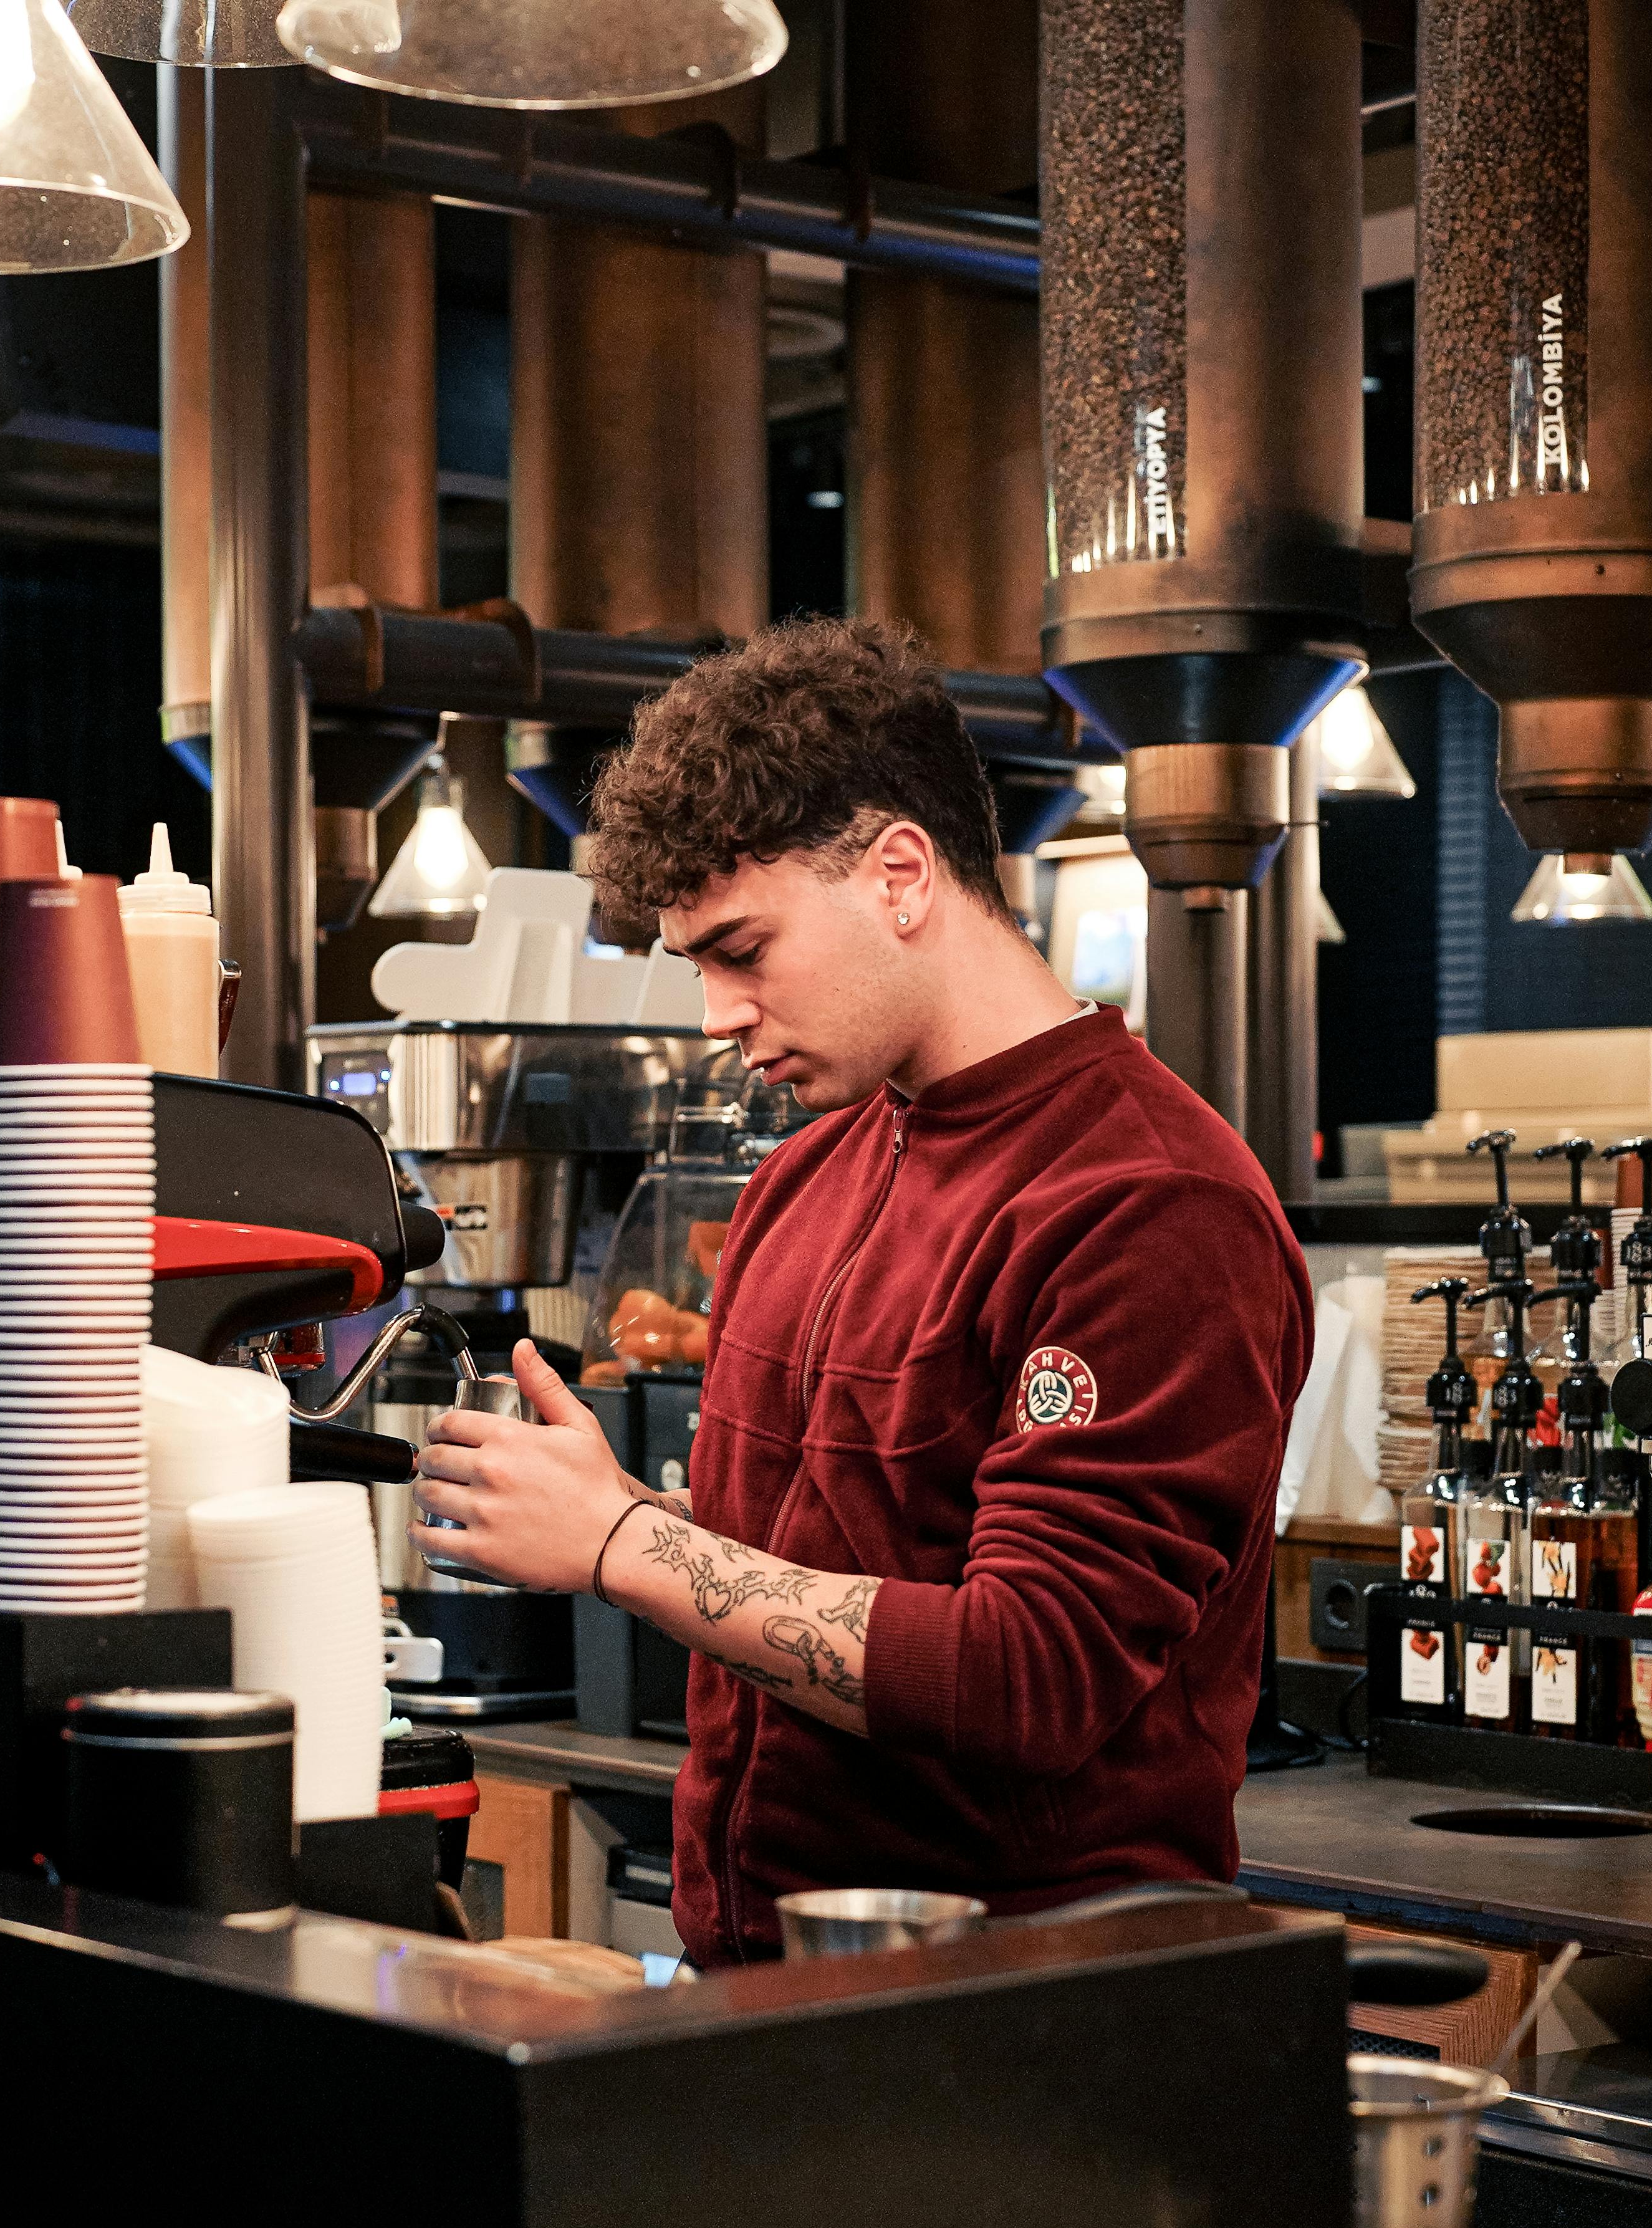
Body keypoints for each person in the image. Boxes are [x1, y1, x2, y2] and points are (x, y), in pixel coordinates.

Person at [408, 617, 1317, 1966]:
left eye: (743, 949)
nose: (716, 1015)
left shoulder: (1149, 1204)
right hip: (769, 1982)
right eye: (699, 966)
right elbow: (828, 1559)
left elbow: (1028, 1672)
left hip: (1016, 2009)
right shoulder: (803, 1177)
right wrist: (625, 1509)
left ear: (899, 873)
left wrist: (623, 1543)